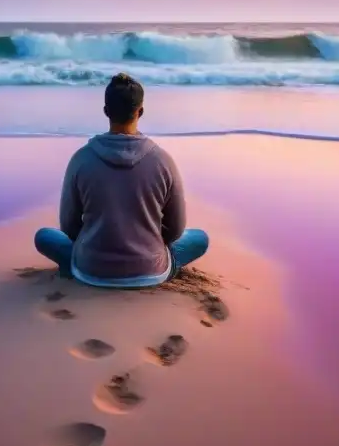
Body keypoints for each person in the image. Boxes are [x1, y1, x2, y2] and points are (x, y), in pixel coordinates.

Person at [34, 73, 208, 287]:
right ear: (140, 111)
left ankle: (85, 263)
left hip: (91, 269)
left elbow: (69, 227)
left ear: (106, 111)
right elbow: (176, 229)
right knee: (199, 238)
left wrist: (98, 239)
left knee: (44, 237)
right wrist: (145, 239)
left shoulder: (81, 159)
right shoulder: (163, 160)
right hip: (150, 271)